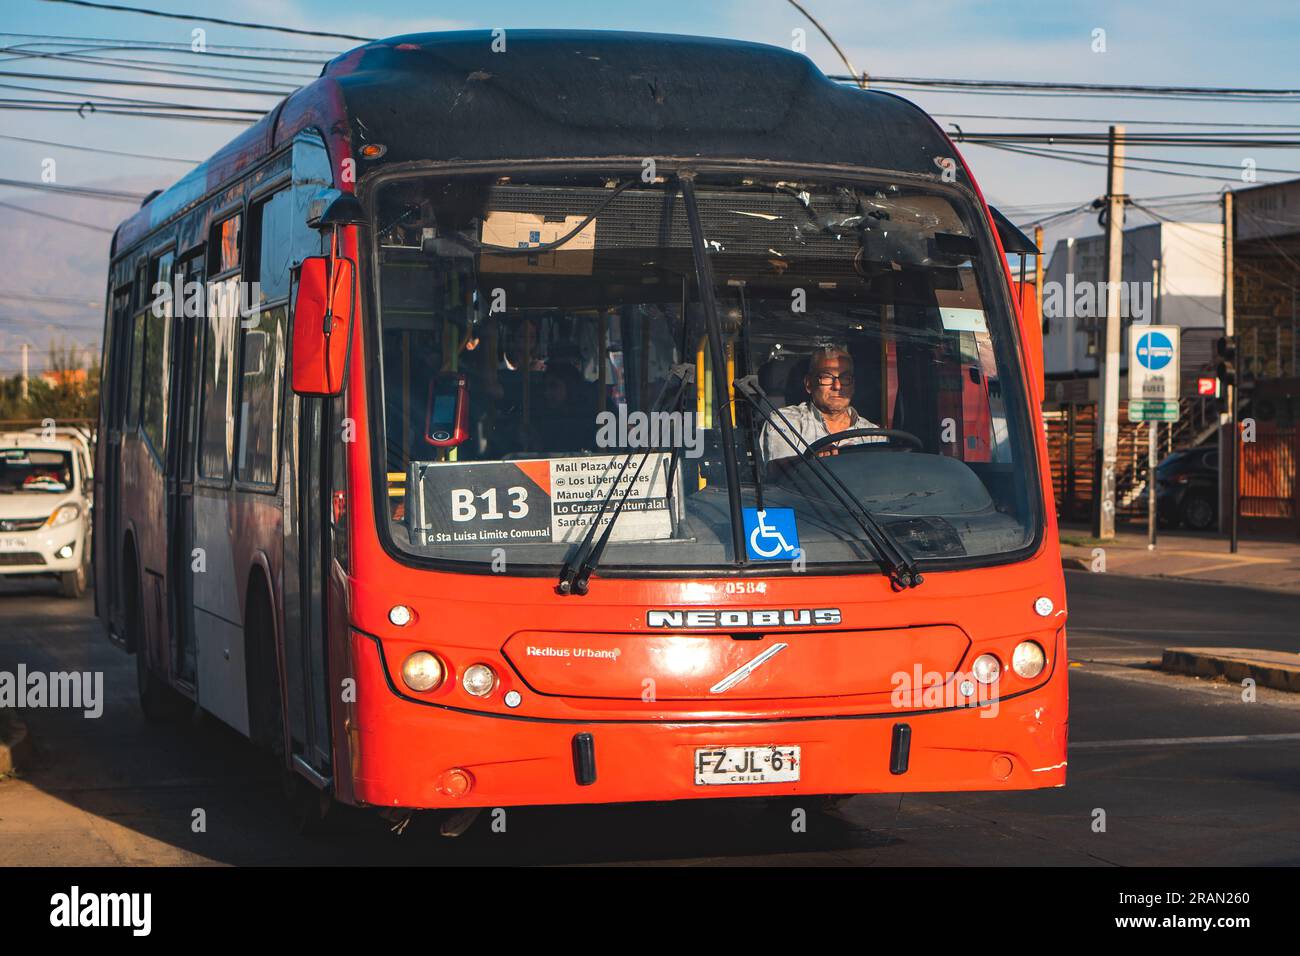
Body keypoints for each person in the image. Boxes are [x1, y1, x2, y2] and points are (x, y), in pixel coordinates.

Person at [759, 345, 884, 464]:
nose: (837, 386)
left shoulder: (874, 435)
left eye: (845, 378)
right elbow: (776, 472)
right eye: (827, 377)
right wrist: (811, 461)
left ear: (853, 386)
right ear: (809, 384)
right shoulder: (785, 423)